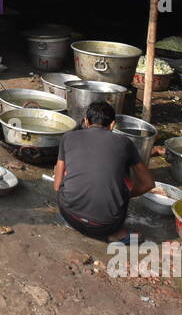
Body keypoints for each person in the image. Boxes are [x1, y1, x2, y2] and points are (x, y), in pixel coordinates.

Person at [54, 101, 155, 242]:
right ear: (113, 124)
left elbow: (57, 185)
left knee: (66, 169)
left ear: (86, 121)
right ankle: (115, 234)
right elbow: (148, 183)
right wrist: (122, 196)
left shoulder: (68, 137)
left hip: (69, 215)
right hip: (107, 226)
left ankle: (89, 225)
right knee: (123, 177)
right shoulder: (125, 143)